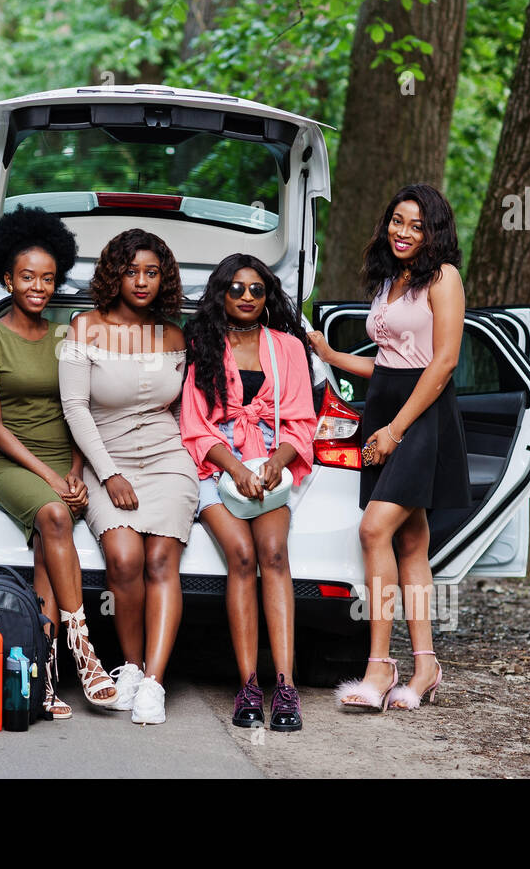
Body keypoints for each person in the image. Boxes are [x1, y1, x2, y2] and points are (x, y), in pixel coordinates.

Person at [308, 182, 471, 712]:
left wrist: (395, 429)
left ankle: (379, 666)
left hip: (421, 415)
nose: (404, 232)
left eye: (417, 225)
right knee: (411, 543)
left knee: (374, 528)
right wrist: (329, 353)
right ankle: (426, 665)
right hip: (386, 406)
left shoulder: (444, 278)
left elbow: (442, 363)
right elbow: (387, 363)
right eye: (398, 221)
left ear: (434, 232)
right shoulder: (390, 279)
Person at [0, 205, 116, 718]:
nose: (39, 287)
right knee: (53, 516)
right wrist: (53, 478)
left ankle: (43, 679)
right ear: (7, 278)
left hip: (67, 463)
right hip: (13, 464)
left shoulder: (66, 335)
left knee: (45, 558)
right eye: (28, 277)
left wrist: (76, 472)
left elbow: (81, 409)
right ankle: (85, 650)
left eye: (48, 279)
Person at [59, 229, 197, 725]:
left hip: (167, 458)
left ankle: (153, 683)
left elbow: (188, 408)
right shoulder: (84, 328)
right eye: (132, 271)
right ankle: (131, 667)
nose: (142, 281)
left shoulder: (175, 335)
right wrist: (108, 473)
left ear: (164, 278)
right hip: (105, 456)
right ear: (114, 274)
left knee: (161, 559)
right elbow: (75, 407)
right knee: (122, 558)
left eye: (152, 272)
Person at [180, 254, 316, 732]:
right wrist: (236, 469)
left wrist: (277, 464)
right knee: (241, 555)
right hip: (217, 468)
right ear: (221, 293)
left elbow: (302, 422)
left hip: (273, 466)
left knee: (273, 554)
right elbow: (194, 425)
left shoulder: (288, 348)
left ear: (267, 296)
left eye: (257, 289)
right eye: (236, 288)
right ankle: (248, 685)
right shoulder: (202, 345)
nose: (246, 297)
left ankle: (286, 686)